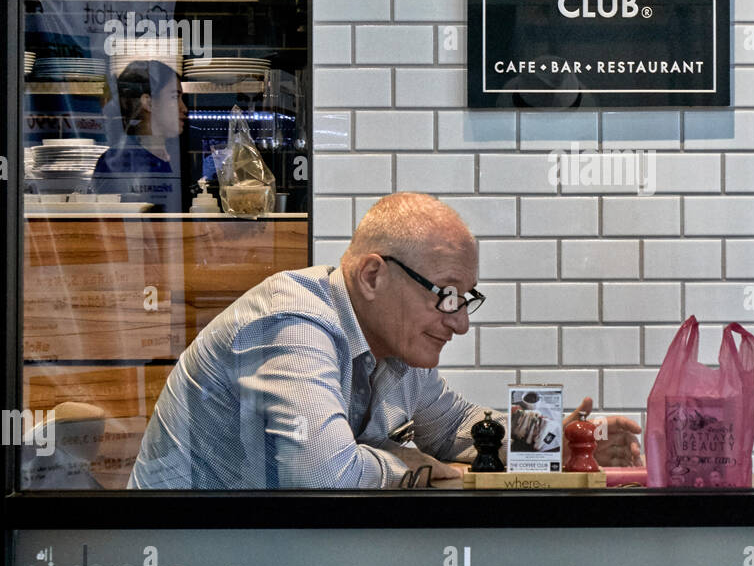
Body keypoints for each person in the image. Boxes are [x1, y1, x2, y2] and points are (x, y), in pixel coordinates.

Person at [128, 192, 642, 488]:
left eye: (466, 299)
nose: (459, 322)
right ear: (373, 277)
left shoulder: (397, 351)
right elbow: (326, 475)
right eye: (445, 295)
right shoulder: (293, 320)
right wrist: (412, 466)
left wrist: (560, 440)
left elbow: (458, 428)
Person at [91, 60, 189, 211]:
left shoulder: (173, 158)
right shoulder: (117, 162)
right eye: (175, 97)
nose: (184, 108)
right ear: (148, 103)